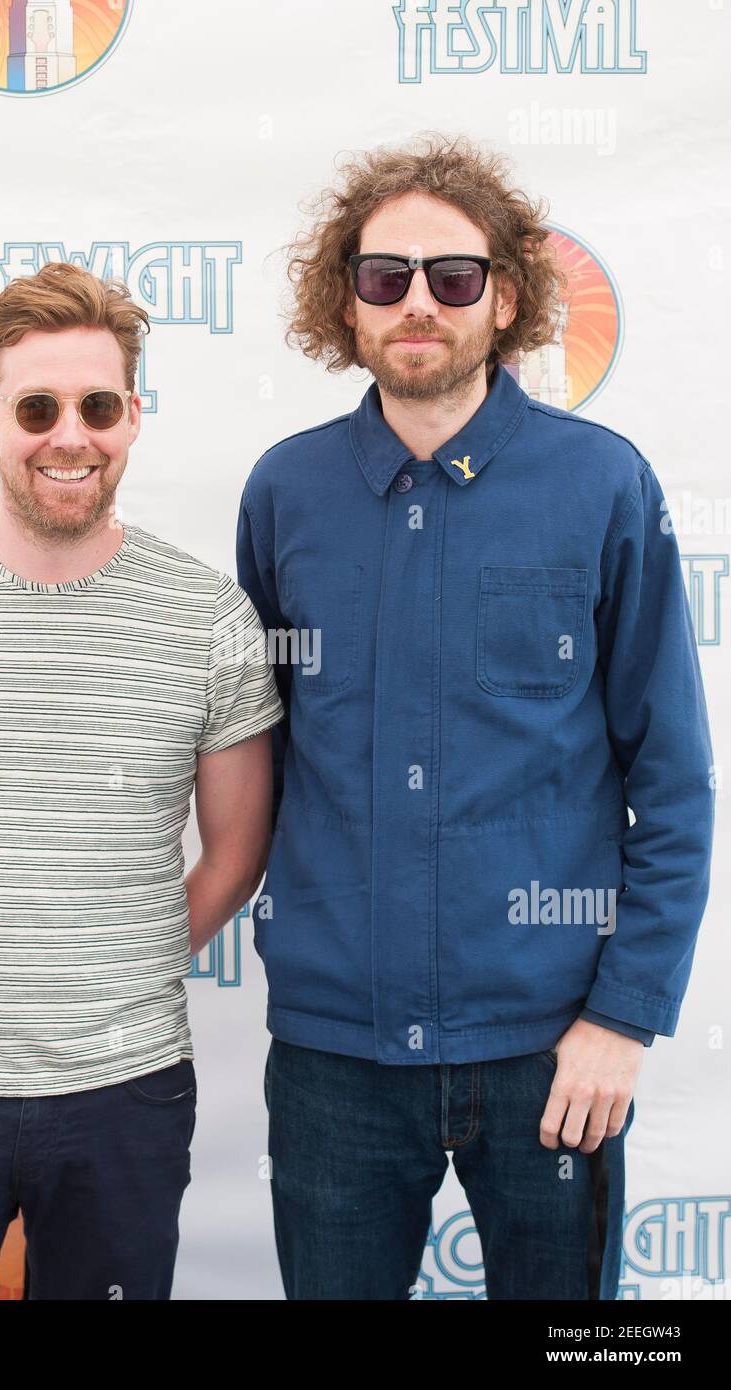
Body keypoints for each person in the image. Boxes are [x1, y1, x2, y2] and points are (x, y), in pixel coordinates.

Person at [235, 133, 715, 1301]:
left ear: (503, 298)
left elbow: (677, 779)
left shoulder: (602, 486)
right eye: (382, 274)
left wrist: (624, 1019)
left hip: (551, 1051)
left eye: (453, 277)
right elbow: (250, 760)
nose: (417, 302)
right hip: (333, 1059)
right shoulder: (283, 492)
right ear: (342, 301)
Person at [0, 261, 285, 1301]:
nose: (69, 434)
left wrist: (118, 959)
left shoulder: (206, 617)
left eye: (97, 405)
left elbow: (238, 850)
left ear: (132, 417)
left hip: (125, 1092)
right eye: (37, 406)